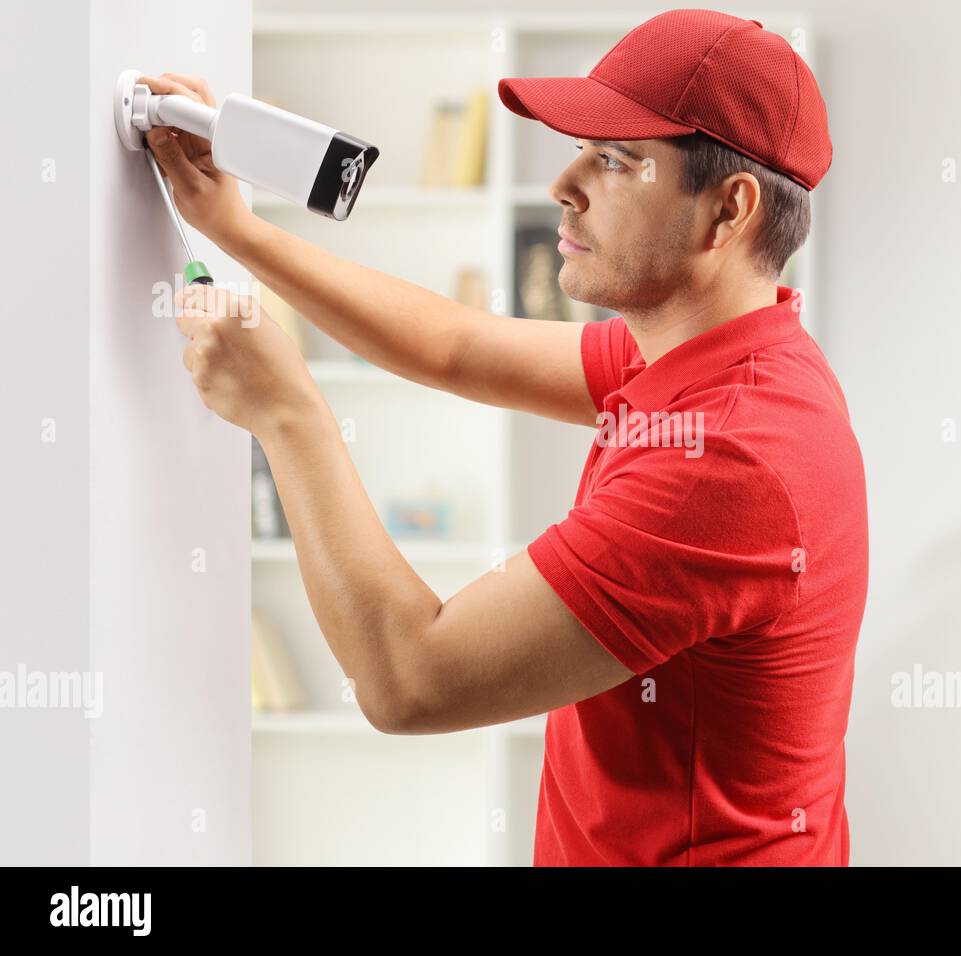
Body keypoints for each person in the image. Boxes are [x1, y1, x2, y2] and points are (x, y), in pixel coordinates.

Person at [143, 8, 867, 866]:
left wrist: (287, 416)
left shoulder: (728, 456)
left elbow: (410, 680)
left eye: (615, 158)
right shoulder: (720, 356)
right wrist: (238, 230)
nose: (563, 182)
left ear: (728, 212)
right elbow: (457, 345)